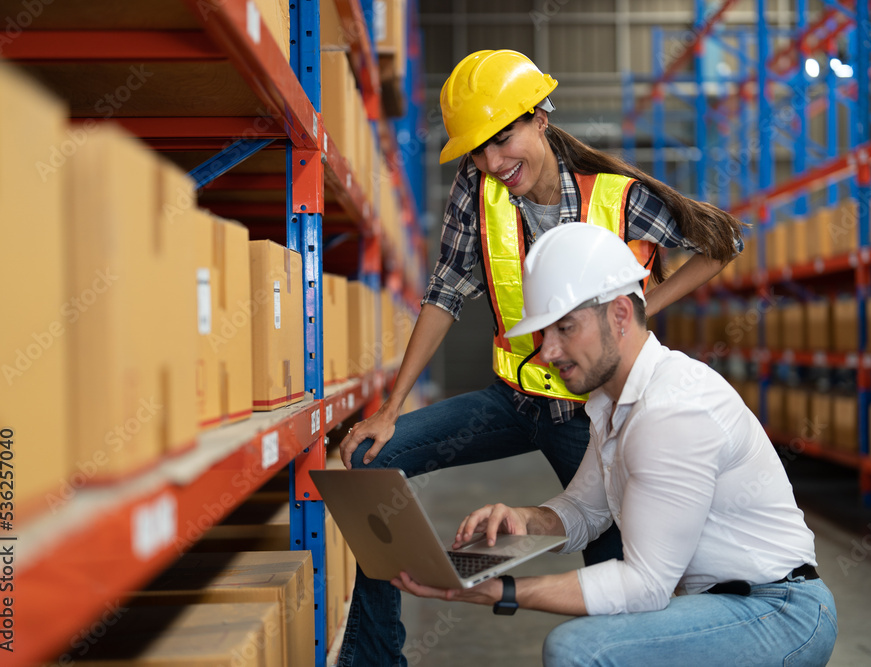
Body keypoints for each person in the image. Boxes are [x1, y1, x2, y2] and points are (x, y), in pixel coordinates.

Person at [335, 49, 746, 666]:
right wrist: (389, 409)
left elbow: (722, 241)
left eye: (503, 140)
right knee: (372, 459)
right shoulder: (478, 189)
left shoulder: (617, 198)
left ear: (541, 119)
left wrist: (638, 310)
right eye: (479, 150)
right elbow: (445, 292)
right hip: (513, 400)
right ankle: (374, 659)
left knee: (615, 567)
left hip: (586, 416)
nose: (493, 162)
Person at [392, 223, 838, 667]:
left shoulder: (672, 410)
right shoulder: (612, 403)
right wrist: (523, 520)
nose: (547, 352)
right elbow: (584, 511)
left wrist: (502, 591)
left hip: (778, 613)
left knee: (580, 648)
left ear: (620, 314)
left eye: (565, 328)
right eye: (544, 333)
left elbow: (645, 585)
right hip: (724, 604)